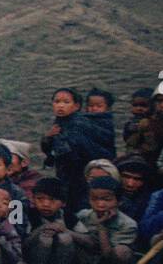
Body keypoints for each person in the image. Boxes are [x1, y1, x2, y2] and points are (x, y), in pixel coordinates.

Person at [40, 87, 114, 223]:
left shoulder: (79, 123)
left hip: (82, 174)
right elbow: (51, 151)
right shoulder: (60, 122)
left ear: (76, 106)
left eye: (66, 102)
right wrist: (47, 138)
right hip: (67, 173)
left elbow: (81, 149)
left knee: (81, 207)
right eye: (57, 102)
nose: (60, 105)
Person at [25, 177, 73, 264]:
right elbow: (23, 243)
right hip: (31, 261)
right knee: (45, 238)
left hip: (58, 260)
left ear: (63, 203)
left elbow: (89, 241)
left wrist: (65, 230)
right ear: (32, 199)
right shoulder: (29, 214)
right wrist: (42, 228)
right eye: (40, 199)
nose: (46, 204)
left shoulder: (67, 215)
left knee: (65, 237)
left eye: (52, 200)